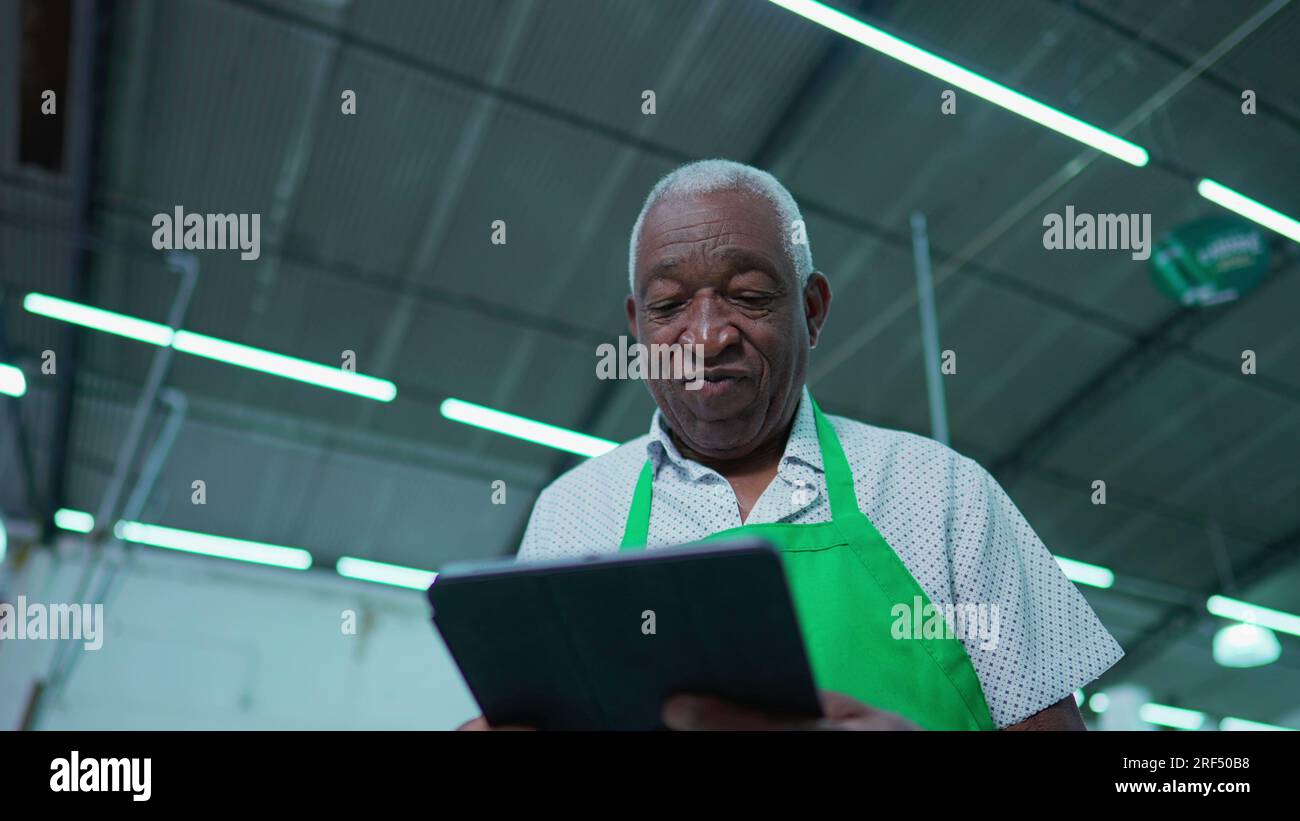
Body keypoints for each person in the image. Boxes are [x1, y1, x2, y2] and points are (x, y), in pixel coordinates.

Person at [462, 159, 1122, 731]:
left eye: (748, 295)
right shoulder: (571, 513)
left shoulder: (942, 495)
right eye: (669, 306)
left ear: (812, 308)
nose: (708, 335)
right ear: (636, 324)